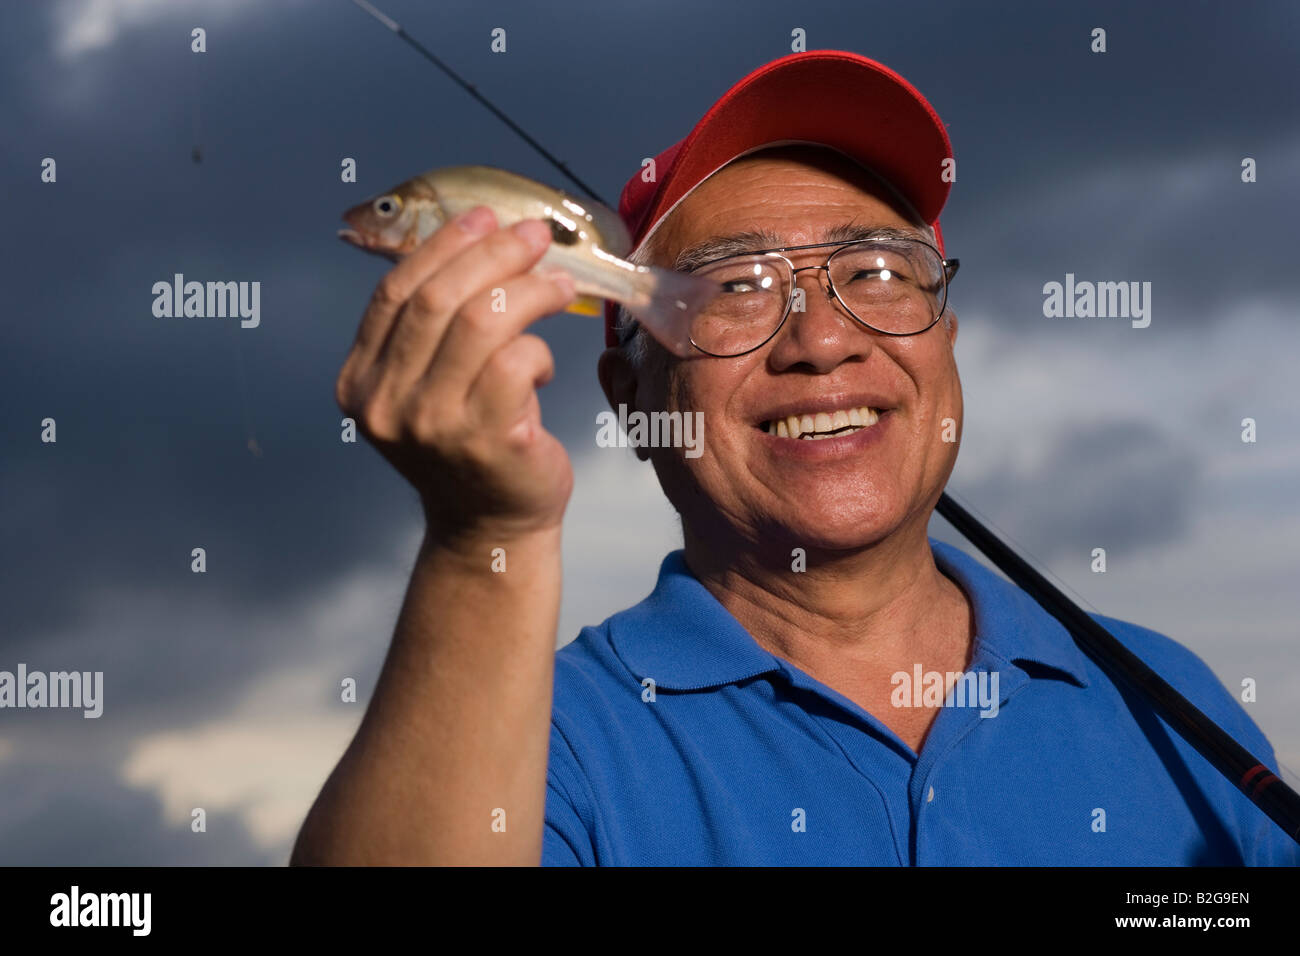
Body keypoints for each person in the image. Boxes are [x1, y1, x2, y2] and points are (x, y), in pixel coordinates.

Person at [291, 51, 1298, 865]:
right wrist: (483, 543)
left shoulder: (1168, 697)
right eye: (734, 286)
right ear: (632, 400)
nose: (821, 339)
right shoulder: (535, 745)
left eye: (874, 269)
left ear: (944, 339)